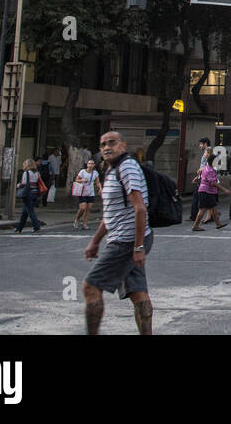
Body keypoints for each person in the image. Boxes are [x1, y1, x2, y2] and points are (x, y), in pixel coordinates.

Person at [83, 131, 153, 335]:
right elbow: (111, 214)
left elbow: (139, 208)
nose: (106, 147)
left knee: (91, 286)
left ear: (123, 146)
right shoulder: (112, 169)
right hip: (127, 238)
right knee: (138, 293)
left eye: (112, 143)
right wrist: (95, 241)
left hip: (126, 240)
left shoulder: (126, 167)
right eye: (102, 144)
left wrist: (138, 247)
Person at [192, 148, 230, 231]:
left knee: (214, 208)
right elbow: (213, 183)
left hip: (208, 191)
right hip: (206, 192)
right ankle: (195, 225)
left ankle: (218, 224)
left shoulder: (206, 168)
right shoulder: (210, 170)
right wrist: (224, 190)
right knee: (202, 209)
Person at [14, 159, 43, 234]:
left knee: (30, 211)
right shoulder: (37, 173)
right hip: (35, 192)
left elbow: (23, 183)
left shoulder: (26, 173)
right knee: (25, 211)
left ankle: (36, 226)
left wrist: (18, 185)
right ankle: (19, 228)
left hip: (28, 193)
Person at [72, 159, 101, 230]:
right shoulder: (83, 172)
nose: (90, 165)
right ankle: (77, 219)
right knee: (82, 208)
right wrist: (82, 180)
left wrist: (100, 188)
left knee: (89, 209)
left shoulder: (95, 173)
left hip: (90, 192)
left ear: (94, 165)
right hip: (82, 192)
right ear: (87, 164)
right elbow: (76, 180)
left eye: (92, 163)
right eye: (89, 163)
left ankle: (84, 224)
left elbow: (97, 182)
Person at [189, 137, 211, 222]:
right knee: (202, 196)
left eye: (201, 144)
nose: (199, 146)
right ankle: (209, 215)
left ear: (205, 144)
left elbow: (209, 165)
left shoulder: (208, 151)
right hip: (202, 177)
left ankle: (195, 216)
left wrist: (201, 171)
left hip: (204, 178)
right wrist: (197, 176)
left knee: (199, 197)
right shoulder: (207, 151)